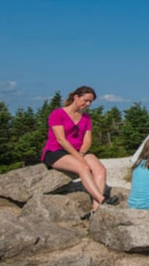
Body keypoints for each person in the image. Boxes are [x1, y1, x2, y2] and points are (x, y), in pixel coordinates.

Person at [42, 85, 110, 213]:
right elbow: (61, 139)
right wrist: (78, 157)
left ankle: (96, 209)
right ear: (76, 97)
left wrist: (82, 153)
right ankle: (101, 199)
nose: (88, 104)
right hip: (56, 150)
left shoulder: (86, 118)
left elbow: (87, 139)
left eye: (90, 101)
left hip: (79, 149)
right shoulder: (57, 114)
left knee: (100, 169)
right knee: (83, 168)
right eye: (85, 100)